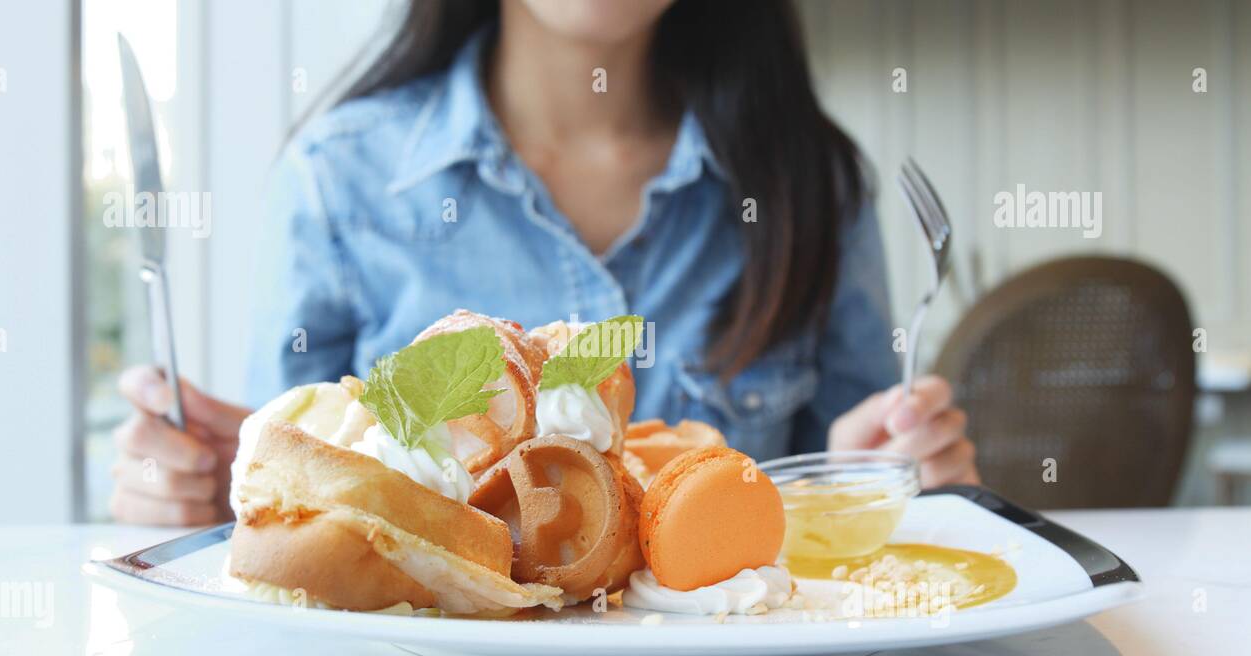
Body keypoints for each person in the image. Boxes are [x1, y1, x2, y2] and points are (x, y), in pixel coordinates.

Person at [110, 0, 978, 525]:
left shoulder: (809, 186)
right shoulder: (338, 181)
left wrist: (884, 478)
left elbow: (844, 502)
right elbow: (284, 509)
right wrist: (199, 490)